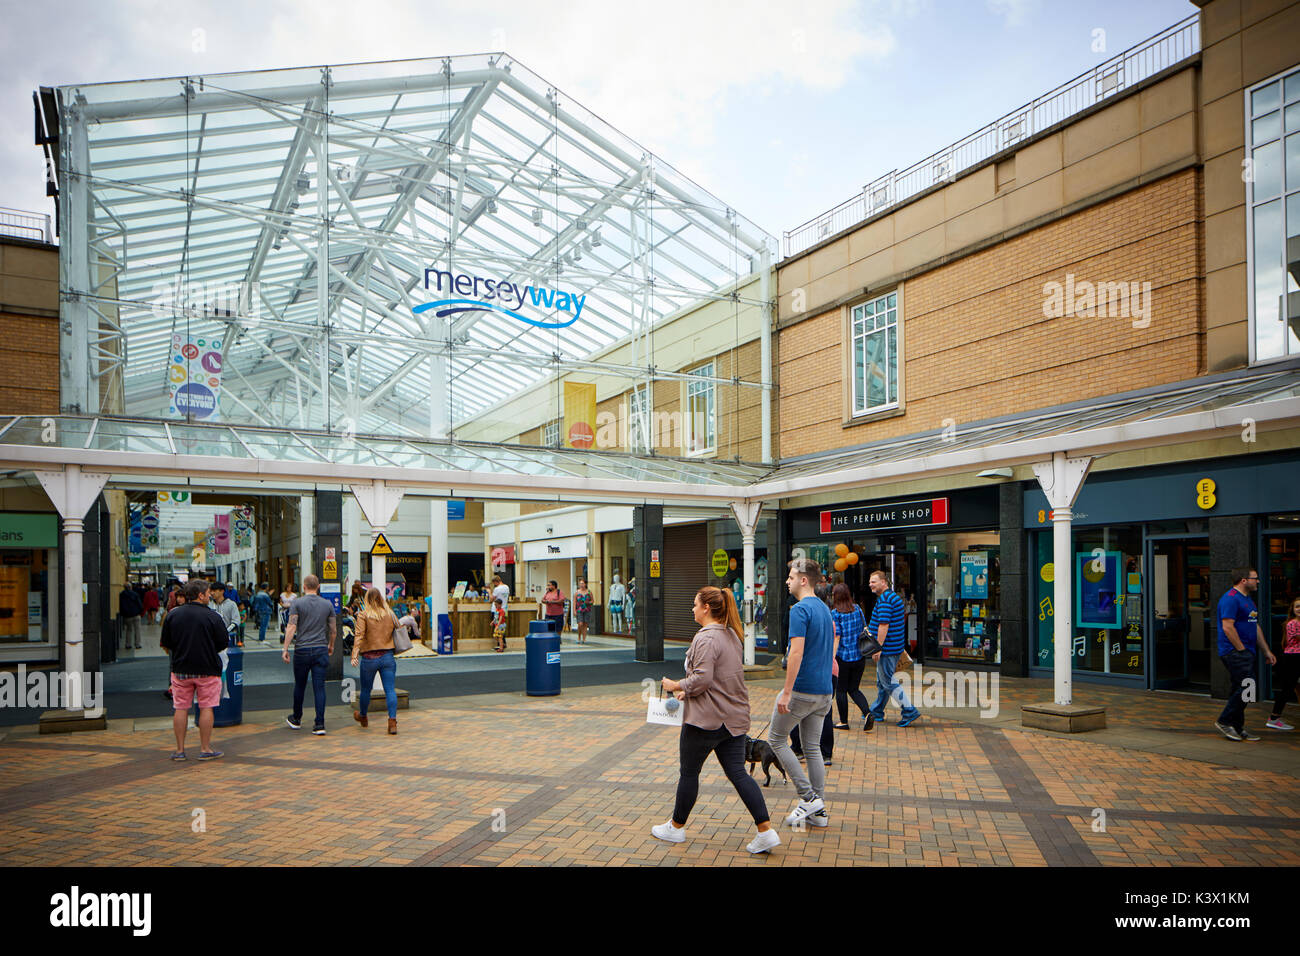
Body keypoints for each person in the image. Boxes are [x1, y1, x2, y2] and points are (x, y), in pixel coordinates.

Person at [655, 586, 778, 854]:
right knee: (738, 773)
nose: (692, 608)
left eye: (695, 604)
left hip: (704, 720)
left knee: (689, 773)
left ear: (707, 608)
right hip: (732, 720)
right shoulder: (731, 634)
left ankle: (675, 828)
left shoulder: (706, 638)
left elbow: (702, 679)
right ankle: (765, 830)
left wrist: (676, 684)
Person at [767, 557, 835, 830]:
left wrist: (786, 692)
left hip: (802, 690)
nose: (787, 581)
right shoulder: (824, 609)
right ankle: (819, 812)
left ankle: (809, 799)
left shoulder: (799, 610)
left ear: (804, 580)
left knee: (776, 739)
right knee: (812, 748)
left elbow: (796, 652)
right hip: (824, 692)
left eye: (791, 576)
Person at [159, 579, 228, 760]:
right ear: (200, 595)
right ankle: (205, 749)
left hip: (181, 669)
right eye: (208, 593)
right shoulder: (213, 616)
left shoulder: (173, 615)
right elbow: (222, 643)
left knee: (180, 708)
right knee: (206, 707)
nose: (210, 595)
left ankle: (180, 750)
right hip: (208, 669)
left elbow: (166, 642)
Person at [1215, 568, 1276, 741]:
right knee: (1249, 687)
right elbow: (1227, 627)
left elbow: (1254, 627)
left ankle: (1237, 726)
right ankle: (1225, 721)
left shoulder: (1247, 600)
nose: (1257, 581)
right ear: (1243, 580)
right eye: (1255, 578)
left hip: (1246, 652)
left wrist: (1266, 650)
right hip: (1235, 652)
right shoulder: (1231, 599)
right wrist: (1241, 649)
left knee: (1240, 688)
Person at [282, 574, 337, 736]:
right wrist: (331, 645)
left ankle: (296, 718)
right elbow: (333, 630)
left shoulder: (297, 603)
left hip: (302, 649)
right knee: (319, 687)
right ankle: (319, 723)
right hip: (321, 649)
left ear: (304, 586)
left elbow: (291, 627)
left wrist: (285, 649)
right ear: (318, 586)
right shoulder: (327, 604)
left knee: (300, 685)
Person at [866, 570, 920, 729]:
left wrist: (878, 647)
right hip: (893, 647)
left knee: (887, 681)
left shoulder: (885, 600)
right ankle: (877, 711)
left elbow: (883, 625)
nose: (870, 584)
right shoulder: (891, 597)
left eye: (874, 581)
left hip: (888, 648)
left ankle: (909, 710)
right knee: (883, 681)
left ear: (884, 582)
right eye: (870, 582)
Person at [351, 587, 401, 734]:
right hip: (387, 656)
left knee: (366, 690)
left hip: (369, 658)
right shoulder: (390, 613)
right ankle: (392, 722)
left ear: (366, 599)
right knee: (390, 690)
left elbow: (359, 635)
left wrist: (354, 654)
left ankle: (363, 716)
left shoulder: (363, 614)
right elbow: (399, 628)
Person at [830, 582, 872, 729]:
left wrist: (832, 658)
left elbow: (837, 637)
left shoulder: (835, 613)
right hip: (860, 656)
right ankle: (867, 713)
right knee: (854, 689)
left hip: (844, 658)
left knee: (841, 690)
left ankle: (844, 721)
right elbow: (864, 627)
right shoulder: (858, 609)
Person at [1267, 596, 1300, 731]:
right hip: (1293, 658)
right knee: (1287, 688)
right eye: (1297, 606)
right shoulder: (1292, 623)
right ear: (1292, 609)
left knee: (1294, 687)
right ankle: (1274, 718)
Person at [119, 584, 144, 651]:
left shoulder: (122, 595)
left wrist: (123, 613)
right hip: (136, 614)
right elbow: (140, 604)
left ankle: (128, 644)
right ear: (131, 587)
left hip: (127, 616)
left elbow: (121, 605)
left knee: (129, 630)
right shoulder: (135, 594)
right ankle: (137, 644)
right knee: (137, 630)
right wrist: (140, 611)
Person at [574, 578, 593, 644]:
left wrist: (589, 602)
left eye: (583, 583)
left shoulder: (589, 592)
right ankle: (579, 637)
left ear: (585, 584)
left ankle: (584, 638)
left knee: (585, 624)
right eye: (580, 583)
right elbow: (574, 602)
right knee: (580, 624)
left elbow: (592, 600)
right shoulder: (577, 592)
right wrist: (574, 610)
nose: (581, 585)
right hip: (579, 610)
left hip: (587, 609)